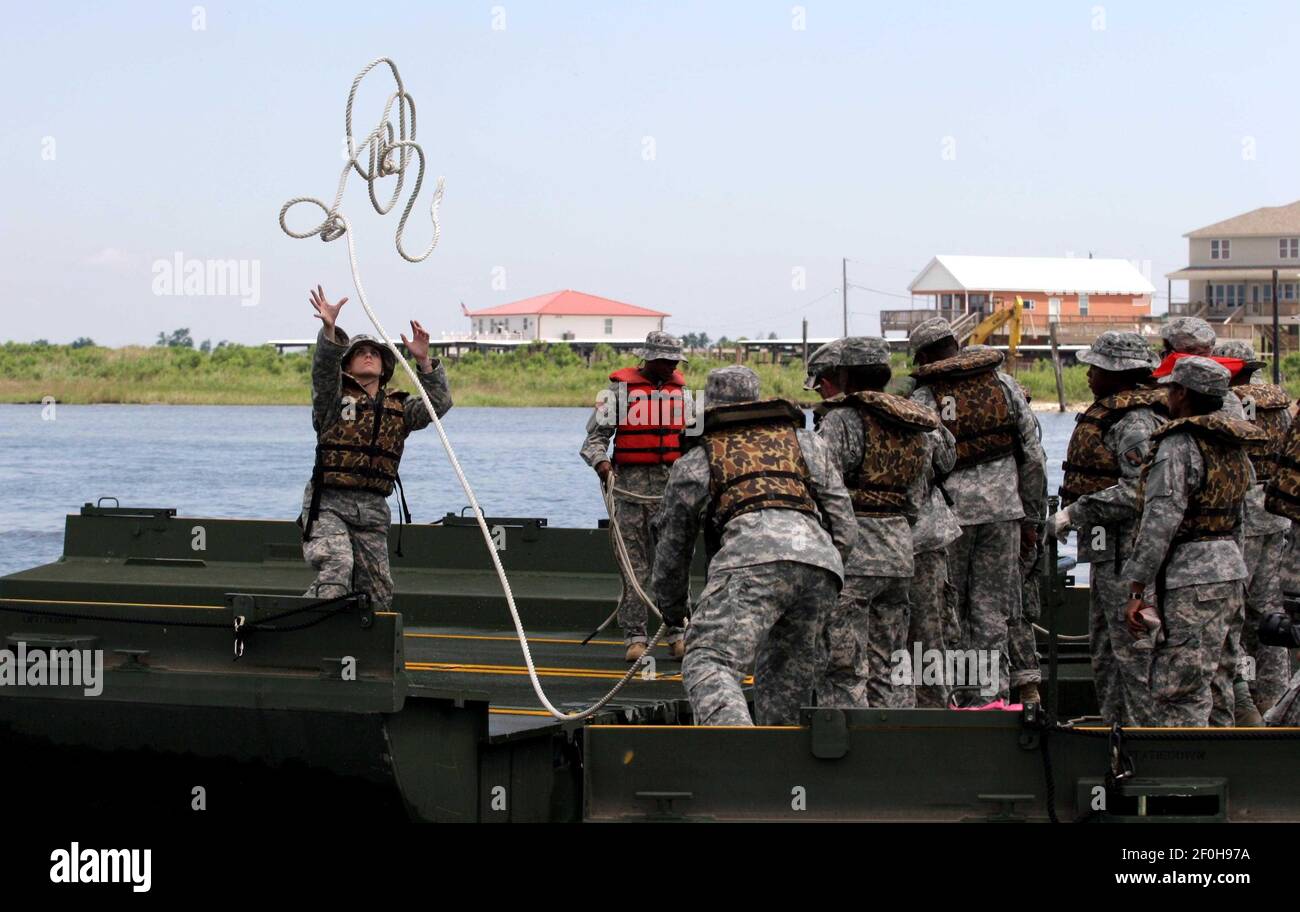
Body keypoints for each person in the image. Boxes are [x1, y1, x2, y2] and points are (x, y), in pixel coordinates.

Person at [650, 366, 857, 725]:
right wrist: (825, 565)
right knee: (784, 681)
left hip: (751, 560)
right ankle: (780, 769)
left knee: (707, 660)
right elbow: (845, 524)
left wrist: (672, 611)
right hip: (822, 566)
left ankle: (739, 758)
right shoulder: (805, 443)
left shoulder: (698, 460)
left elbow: (672, 547)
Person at [906, 318, 1047, 704]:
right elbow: (1033, 458)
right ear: (956, 343)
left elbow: (920, 465)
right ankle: (991, 701)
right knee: (992, 614)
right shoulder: (1003, 386)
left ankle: (958, 702)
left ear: (921, 357)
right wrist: (1032, 519)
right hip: (1004, 514)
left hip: (950, 522)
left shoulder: (925, 398)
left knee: (952, 613)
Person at [1121, 357, 1265, 727]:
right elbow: (1242, 517)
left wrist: (1138, 590)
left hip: (1192, 579)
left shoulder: (1179, 445)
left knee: (1180, 686)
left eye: (1171, 388)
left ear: (1183, 393)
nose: (1167, 395)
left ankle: (1183, 776)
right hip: (1231, 571)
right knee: (1220, 679)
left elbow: (1159, 524)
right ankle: (1223, 768)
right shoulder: (1233, 444)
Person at [806, 337, 944, 707]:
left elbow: (821, 483)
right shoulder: (913, 423)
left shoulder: (842, 420)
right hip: (900, 552)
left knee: (843, 665)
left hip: (854, 558)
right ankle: (894, 745)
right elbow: (917, 499)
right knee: (891, 664)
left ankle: (848, 752)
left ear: (844, 374)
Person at [299, 285, 453, 612]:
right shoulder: (332, 400)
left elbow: (439, 405)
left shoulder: (400, 408)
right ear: (347, 365)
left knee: (378, 594)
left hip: (372, 509)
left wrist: (424, 362)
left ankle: (361, 651)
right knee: (337, 570)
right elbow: (322, 372)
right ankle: (303, 633)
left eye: (374, 353)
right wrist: (329, 329)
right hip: (329, 504)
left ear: (384, 367)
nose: (368, 355)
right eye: (359, 353)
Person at [1047, 332, 1165, 723]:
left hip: (1127, 558)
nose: (1089, 376)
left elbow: (1138, 492)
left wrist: (1074, 513)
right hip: (1104, 557)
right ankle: (1115, 735)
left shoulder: (1135, 424)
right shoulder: (1115, 415)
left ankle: (1144, 745)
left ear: (1117, 373)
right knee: (1105, 653)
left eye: (1096, 368)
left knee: (1133, 656)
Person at [580, 331, 690, 662]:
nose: (672, 366)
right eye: (667, 361)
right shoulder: (619, 393)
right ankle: (635, 638)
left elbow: (696, 443)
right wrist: (602, 464)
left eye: (675, 361)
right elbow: (594, 440)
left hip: (671, 494)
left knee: (673, 565)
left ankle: (678, 631)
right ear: (650, 358)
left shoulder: (683, 396)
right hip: (628, 493)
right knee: (634, 568)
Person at [1210, 339, 1292, 722]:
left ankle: (1241, 702)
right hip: (1276, 514)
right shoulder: (1279, 405)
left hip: (1242, 515)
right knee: (1270, 614)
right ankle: (1273, 700)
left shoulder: (1227, 402)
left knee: (1235, 617)